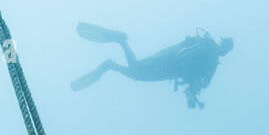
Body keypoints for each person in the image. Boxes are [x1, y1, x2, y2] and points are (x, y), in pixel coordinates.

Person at [70, 23, 233, 109]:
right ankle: (118, 48)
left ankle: (112, 61)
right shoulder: (211, 60)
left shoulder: (205, 44)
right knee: (137, 72)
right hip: (170, 66)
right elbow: (202, 83)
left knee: (136, 71)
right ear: (225, 51)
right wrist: (192, 95)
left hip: (168, 57)